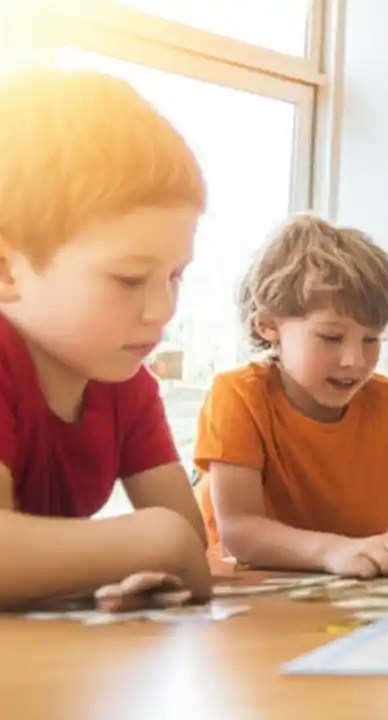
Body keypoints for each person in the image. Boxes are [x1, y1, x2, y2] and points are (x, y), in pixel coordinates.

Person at [0, 67, 210, 609]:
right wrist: (151, 541)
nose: (163, 309)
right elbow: (170, 537)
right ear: (6, 269)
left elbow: (189, 550)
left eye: (175, 276)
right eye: (128, 279)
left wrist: (144, 568)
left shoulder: (124, 382)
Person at [194, 216, 388, 578]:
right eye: (331, 337)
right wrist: (336, 552)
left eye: (372, 339)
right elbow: (241, 533)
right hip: (241, 598)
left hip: (345, 595)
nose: (355, 361)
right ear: (268, 326)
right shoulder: (238, 395)